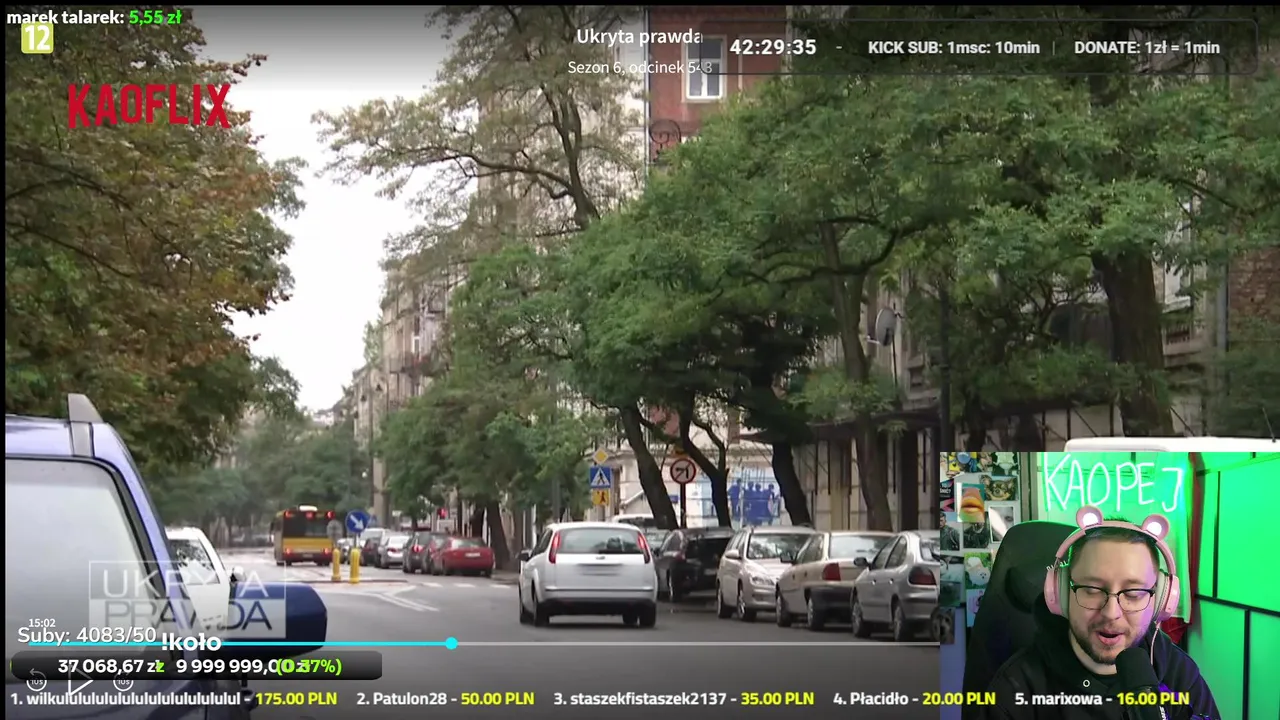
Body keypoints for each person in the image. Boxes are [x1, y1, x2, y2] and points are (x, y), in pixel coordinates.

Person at [983, 509, 1219, 719]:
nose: (1111, 613)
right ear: (1061, 592)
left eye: (1134, 593)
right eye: (1092, 589)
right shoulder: (1016, 690)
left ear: (1160, 601)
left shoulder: (1179, 676)